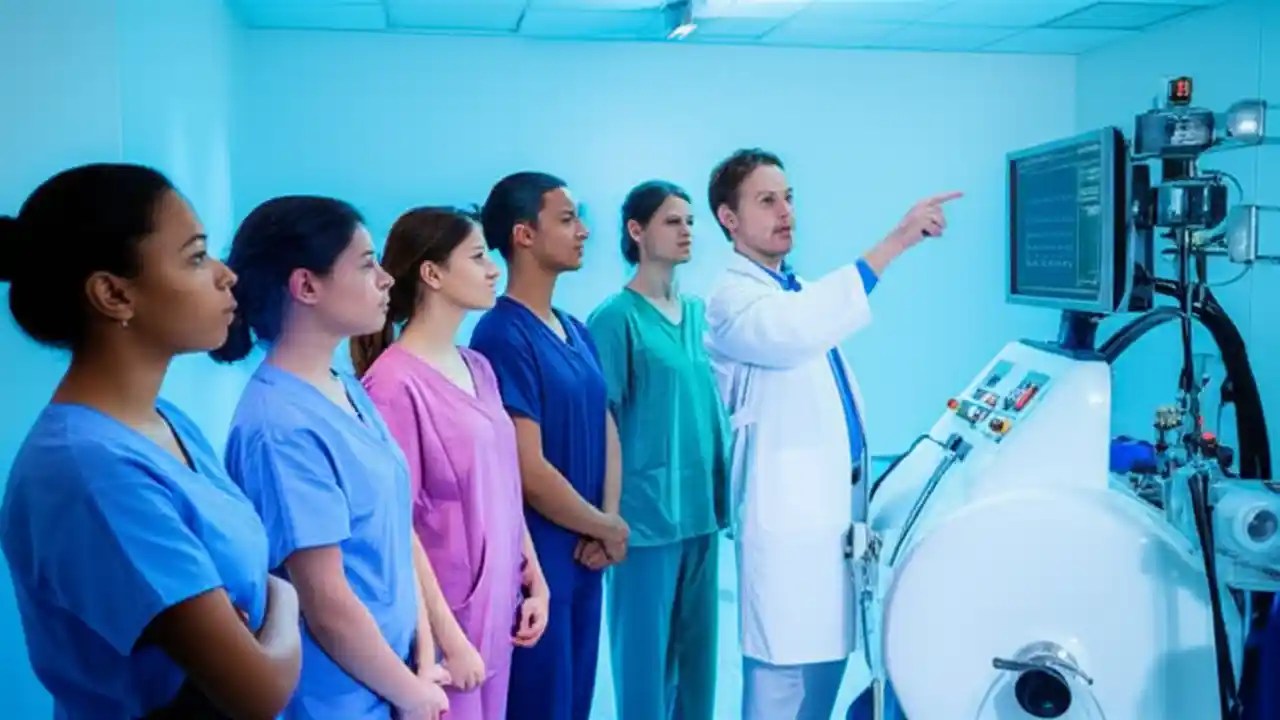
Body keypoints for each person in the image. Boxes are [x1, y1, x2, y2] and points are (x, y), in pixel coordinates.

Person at [0, 163, 302, 719]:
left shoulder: (165, 421)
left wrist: (258, 616)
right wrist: (285, 599)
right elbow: (257, 691)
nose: (224, 274)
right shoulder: (88, 472)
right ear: (113, 294)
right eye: (194, 256)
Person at [702, 148, 961, 720]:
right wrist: (896, 241)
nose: (786, 211)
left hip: (829, 529)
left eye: (788, 197)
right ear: (729, 218)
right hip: (787, 533)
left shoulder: (794, 290)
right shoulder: (733, 301)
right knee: (781, 696)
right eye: (766, 200)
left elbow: (817, 318)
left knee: (817, 688)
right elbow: (797, 331)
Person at [211, 196, 450, 720]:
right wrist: (412, 694)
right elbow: (327, 605)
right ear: (307, 286)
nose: (387, 279)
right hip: (336, 699)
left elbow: (392, 536)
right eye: (367, 265)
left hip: (391, 680)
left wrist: (424, 662)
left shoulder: (343, 389)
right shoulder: (280, 427)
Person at [352, 206, 552, 720]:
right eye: (479, 255)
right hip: (448, 627)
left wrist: (535, 578)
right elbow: (399, 527)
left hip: (499, 610)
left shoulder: (479, 367)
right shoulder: (393, 385)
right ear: (432, 273)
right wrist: (445, 640)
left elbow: (504, 486)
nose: (494, 270)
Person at [468, 171, 630, 720]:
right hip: (540, 562)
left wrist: (607, 520)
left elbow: (606, 426)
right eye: (567, 219)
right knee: (541, 704)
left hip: (587, 554)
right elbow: (528, 469)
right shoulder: (499, 335)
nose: (583, 230)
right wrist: (604, 527)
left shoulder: (576, 329)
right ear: (524, 235)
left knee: (576, 701)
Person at [585, 180, 729, 720]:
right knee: (644, 665)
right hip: (643, 519)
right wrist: (603, 518)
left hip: (701, 512)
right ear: (637, 230)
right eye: (673, 221)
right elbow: (600, 423)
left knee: (698, 669)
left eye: (690, 220)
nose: (687, 230)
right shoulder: (615, 319)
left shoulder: (698, 314)